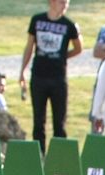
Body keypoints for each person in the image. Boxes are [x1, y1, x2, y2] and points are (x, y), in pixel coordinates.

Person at [20, 0, 82, 147]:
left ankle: (58, 157)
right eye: (62, 2)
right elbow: (29, 46)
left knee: (59, 122)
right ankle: (39, 155)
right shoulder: (37, 20)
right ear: (52, 2)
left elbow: (79, 48)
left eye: (67, 3)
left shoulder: (69, 25)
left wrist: (62, 56)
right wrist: (22, 70)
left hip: (58, 78)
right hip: (38, 76)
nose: (65, 5)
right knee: (38, 120)